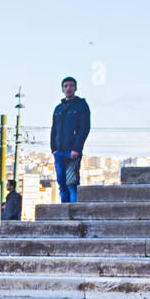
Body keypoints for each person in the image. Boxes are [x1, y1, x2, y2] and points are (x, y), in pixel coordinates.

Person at [50, 76, 91, 204]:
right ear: (62, 89)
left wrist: (77, 149)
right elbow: (54, 129)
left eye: (71, 85)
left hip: (73, 152)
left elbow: (84, 128)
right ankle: (64, 210)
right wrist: (54, 149)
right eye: (66, 86)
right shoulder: (58, 109)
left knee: (71, 183)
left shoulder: (81, 106)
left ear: (76, 88)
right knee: (62, 184)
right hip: (59, 152)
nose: (68, 88)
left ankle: (73, 210)